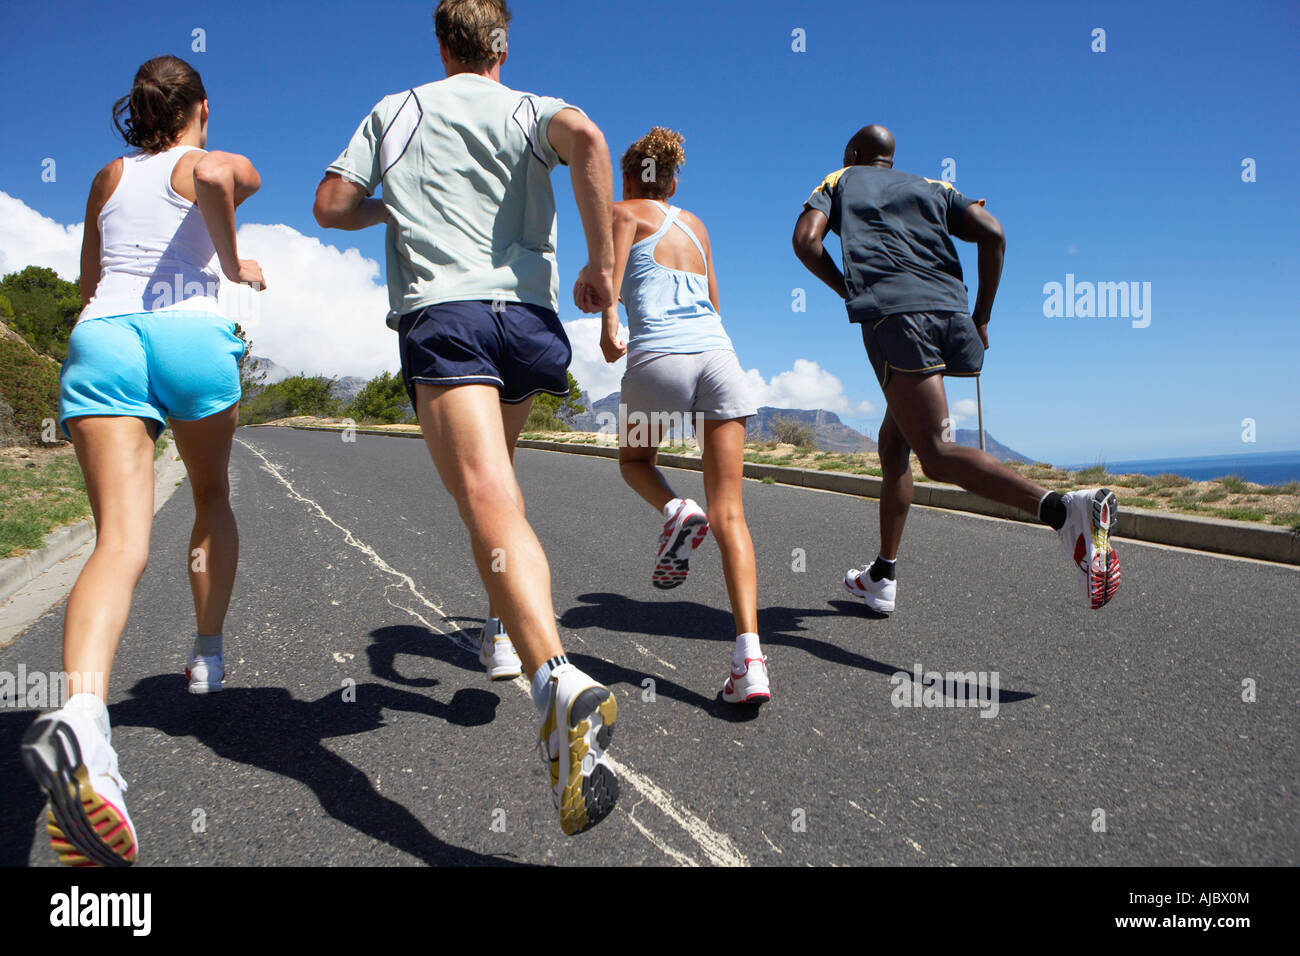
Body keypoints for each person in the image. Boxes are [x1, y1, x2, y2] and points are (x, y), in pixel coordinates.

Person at [314, 0, 620, 835]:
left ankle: (553, 676)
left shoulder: (398, 108)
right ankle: (498, 631)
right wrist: (603, 269)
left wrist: (391, 207)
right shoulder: (531, 109)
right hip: (526, 322)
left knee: (483, 494)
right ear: (503, 47)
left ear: (442, 45)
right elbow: (591, 143)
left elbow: (330, 204)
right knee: (501, 491)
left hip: (444, 317)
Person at [21, 55, 265, 866]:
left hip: (104, 337)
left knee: (117, 541)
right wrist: (232, 265)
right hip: (190, 334)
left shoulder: (106, 174)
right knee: (209, 496)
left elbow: (88, 276)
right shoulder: (205, 157)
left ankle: (84, 717)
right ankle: (205, 652)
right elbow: (223, 181)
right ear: (201, 106)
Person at [792, 124, 1120, 614]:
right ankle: (883, 573)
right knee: (893, 443)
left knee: (937, 454)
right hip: (951, 314)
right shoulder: (935, 187)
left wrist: (850, 291)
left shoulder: (841, 179)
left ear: (856, 154)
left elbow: (805, 242)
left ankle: (1062, 509)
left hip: (895, 317)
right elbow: (993, 234)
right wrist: (982, 316)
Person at [596, 127, 768, 704]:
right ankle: (750, 659)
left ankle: (675, 508)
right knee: (732, 513)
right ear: (671, 181)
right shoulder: (696, 226)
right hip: (720, 360)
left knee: (635, 460)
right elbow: (716, 304)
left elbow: (605, 286)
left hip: (659, 361)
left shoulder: (621, 211)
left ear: (629, 176)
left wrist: (607, 332)